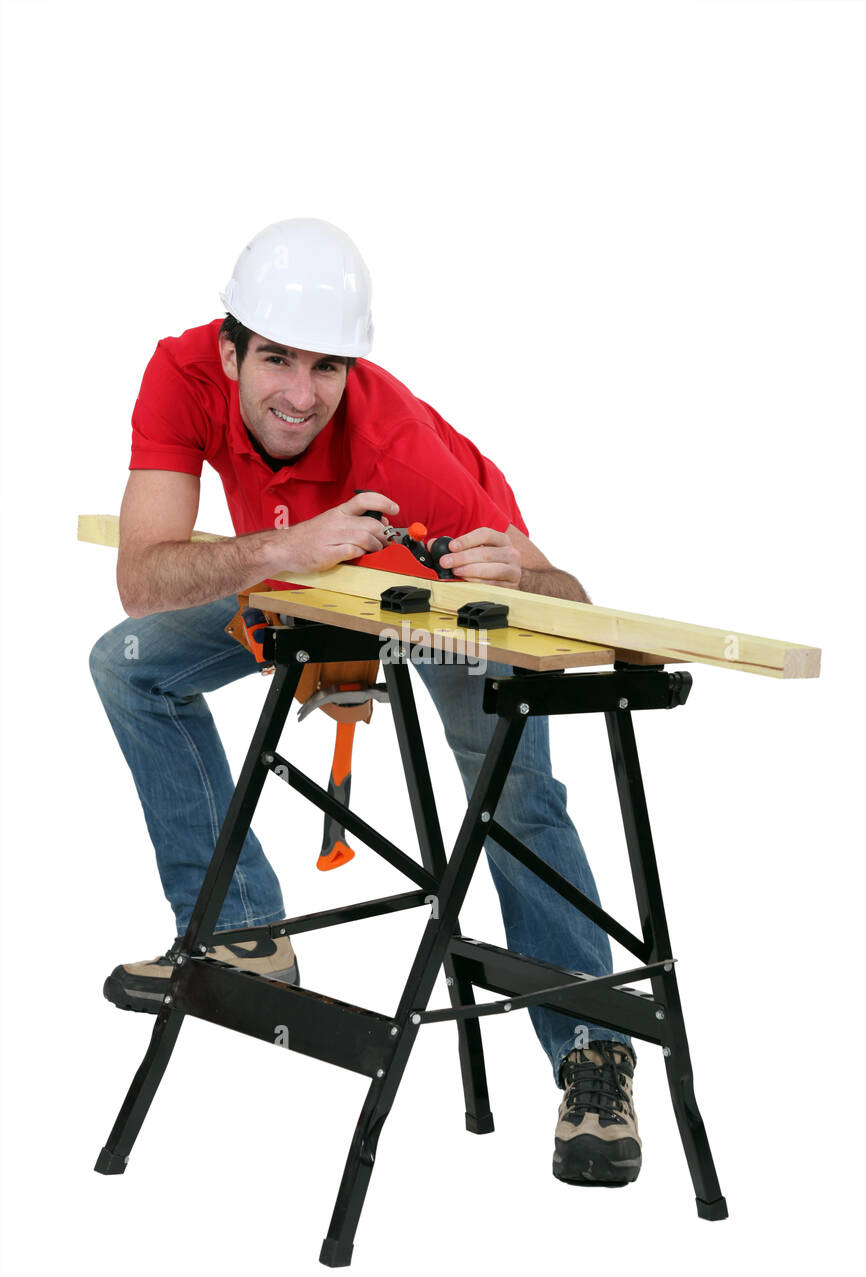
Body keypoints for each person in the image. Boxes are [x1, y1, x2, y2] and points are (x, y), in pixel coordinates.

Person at [89, 218, 641, 1188]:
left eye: (327, 368)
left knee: (513, 796)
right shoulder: (178, 376)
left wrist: (519, 573)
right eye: (275, 361)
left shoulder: (401, 451)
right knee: (131, 661)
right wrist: (283, 551)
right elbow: (142, 580)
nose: (300, 395)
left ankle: (590, 1050)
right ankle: (244, 931)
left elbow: (573, 613)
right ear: (227, 351)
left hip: (434, 596)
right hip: (307, 573)